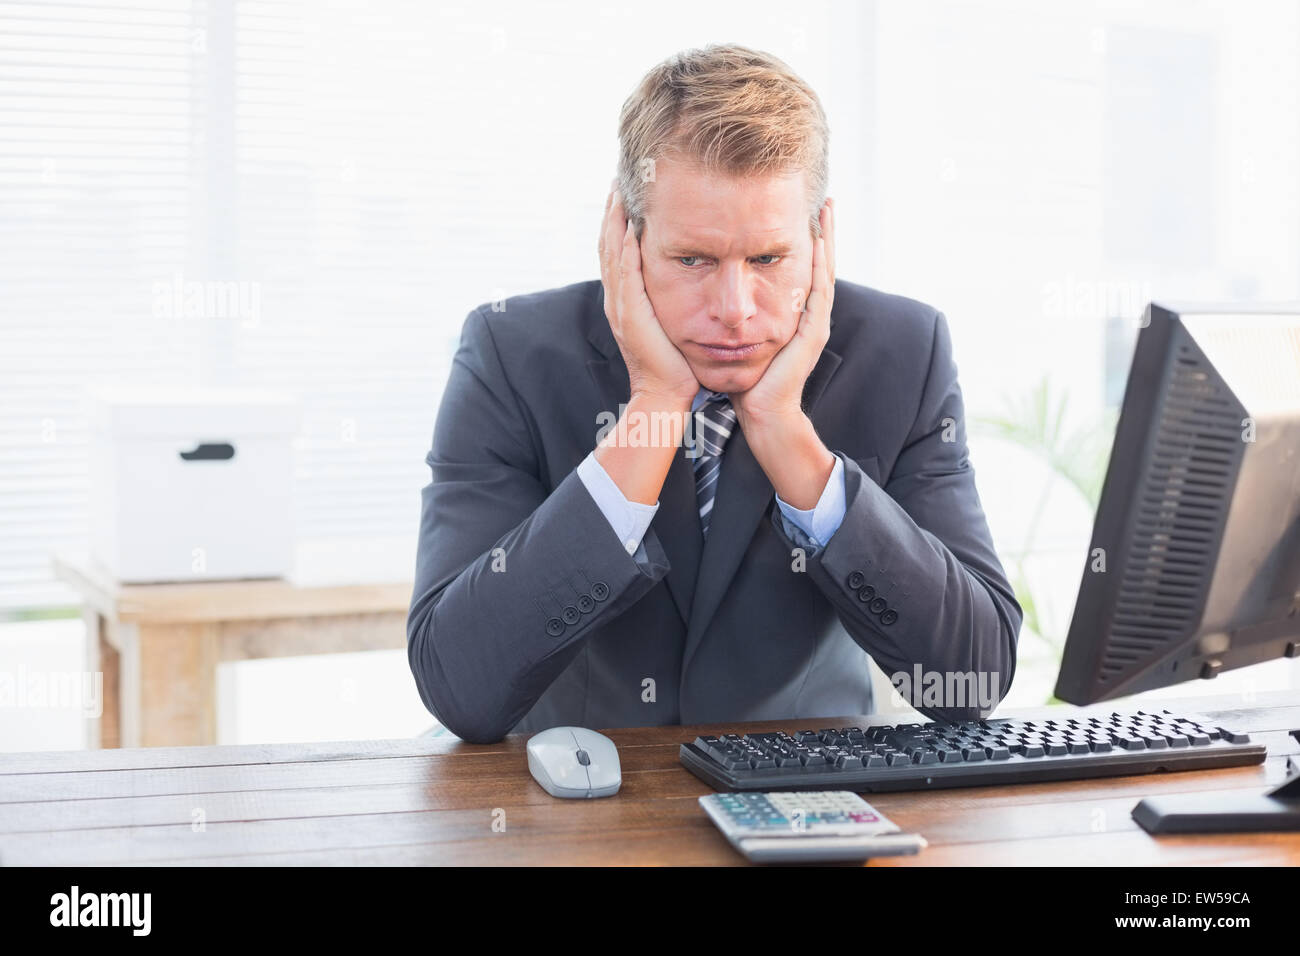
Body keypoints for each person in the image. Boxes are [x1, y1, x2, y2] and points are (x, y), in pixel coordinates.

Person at [407, 43, 1022, 744]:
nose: (734, 308)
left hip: (811, 812)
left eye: (768, 259)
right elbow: (458, 684)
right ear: (627, 240)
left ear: (820, 240)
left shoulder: (903, 351)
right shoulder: (510, 353)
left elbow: (972, 679)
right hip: (582, 818)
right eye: (692, 259)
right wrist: (654, 408)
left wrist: (786, 432)